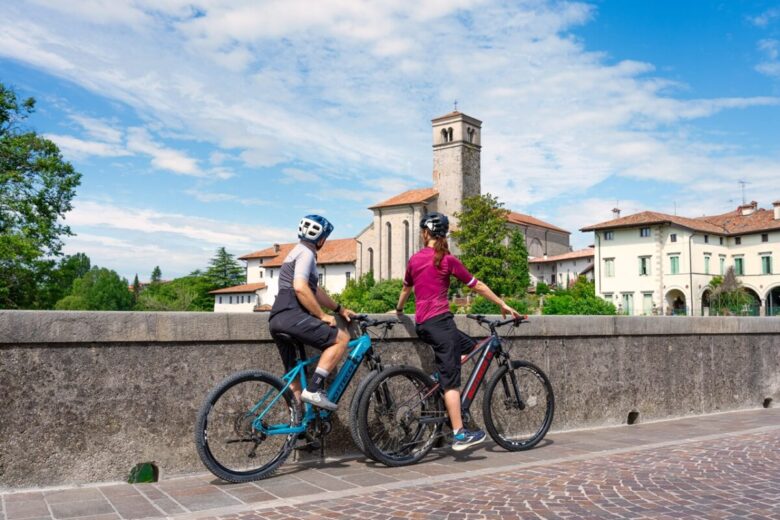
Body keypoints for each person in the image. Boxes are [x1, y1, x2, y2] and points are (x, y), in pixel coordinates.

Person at [395, 212, 522, 451]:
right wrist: (502, 303)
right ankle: (459, 434)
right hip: (441, 323)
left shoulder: (414, 259)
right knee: (452, 383)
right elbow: (477, 285)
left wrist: (399, 310)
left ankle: (445, 373)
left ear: (425, 233)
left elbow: (405, 289)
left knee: (474, 347)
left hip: (424, 324)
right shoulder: (447, 259)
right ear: (444, 234)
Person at [269, 215, 355, 411]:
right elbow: (300, 288)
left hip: (277, 317)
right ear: (321, 238)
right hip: (292, 313)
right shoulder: (307, 254)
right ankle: (315, 388)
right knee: (341, 339)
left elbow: (314, 290)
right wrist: (322, 316)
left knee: (294, 374)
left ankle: (297, 425)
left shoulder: (295, 252)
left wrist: (339, 309)